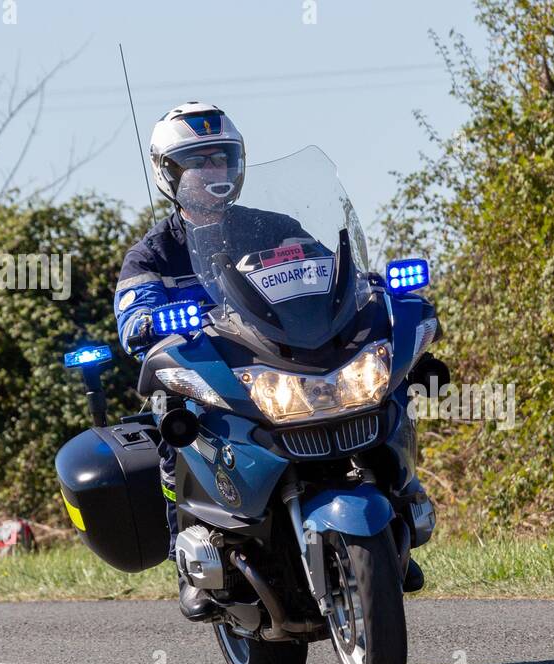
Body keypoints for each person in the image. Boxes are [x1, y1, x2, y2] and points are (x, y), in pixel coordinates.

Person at [112, 103, 424, 622]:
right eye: (199, 162)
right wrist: (147, 321)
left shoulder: (273, 226)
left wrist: (369, 288)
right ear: (169, 172)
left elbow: (332, 275)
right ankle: (184, 559)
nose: (214, 172)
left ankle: (399, 509)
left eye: (222, 159)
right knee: (174, 427)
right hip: (215, 372)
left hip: (282, 360)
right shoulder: (152, 254)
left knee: (383, 390)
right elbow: (132, 317)